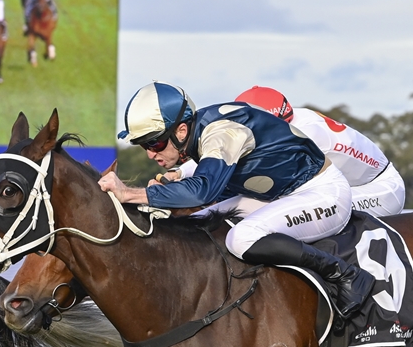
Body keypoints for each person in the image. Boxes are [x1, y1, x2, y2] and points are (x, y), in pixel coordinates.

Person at [103, 81, 375, 318]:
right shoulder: (201, 136)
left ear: (182, 132)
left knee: (241, 238)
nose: (151, 154)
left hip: (324, 195)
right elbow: (206, 195)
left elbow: (203, 191)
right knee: (194, 221)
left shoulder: (222, 134)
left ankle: (344, 274)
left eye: (155, 143)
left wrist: (131, 193)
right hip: (283, 194)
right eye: (144, 146)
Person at [234, 86, 406, 217]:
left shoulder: (304, 136)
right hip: (351, 185)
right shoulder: (290, 122)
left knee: (291, 213)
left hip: (381, 191)